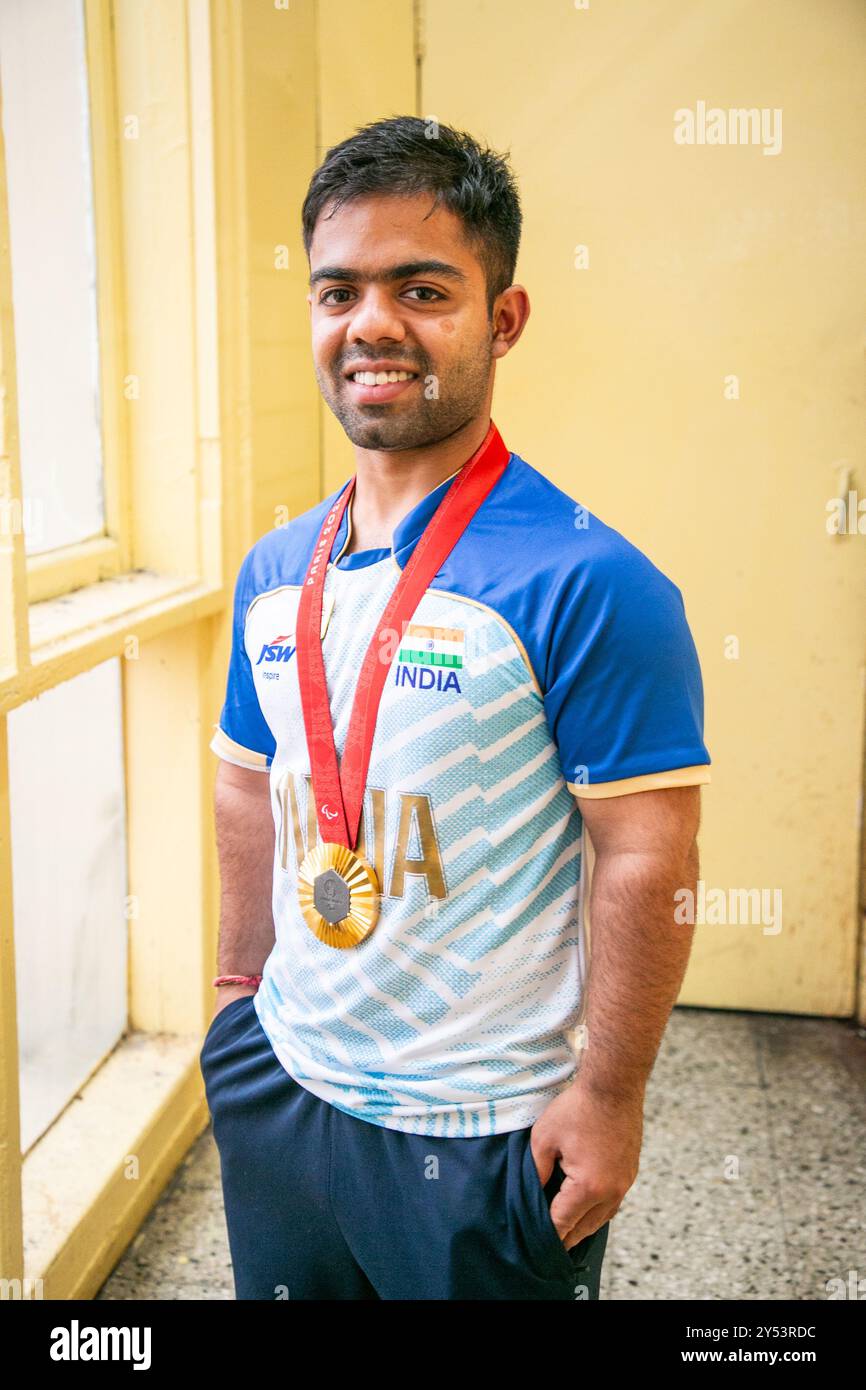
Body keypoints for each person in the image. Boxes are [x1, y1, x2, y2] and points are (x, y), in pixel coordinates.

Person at [200, 115, 711, 1301]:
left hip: (484, 1126)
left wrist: (611, 1098)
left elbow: (645, 854)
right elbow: (243, 781)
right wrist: (235, 998)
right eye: (338, 292)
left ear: (502, 317)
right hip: (283, 1085)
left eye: (419, 288)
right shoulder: (276, 569)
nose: (370, 323)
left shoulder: (588, 580)